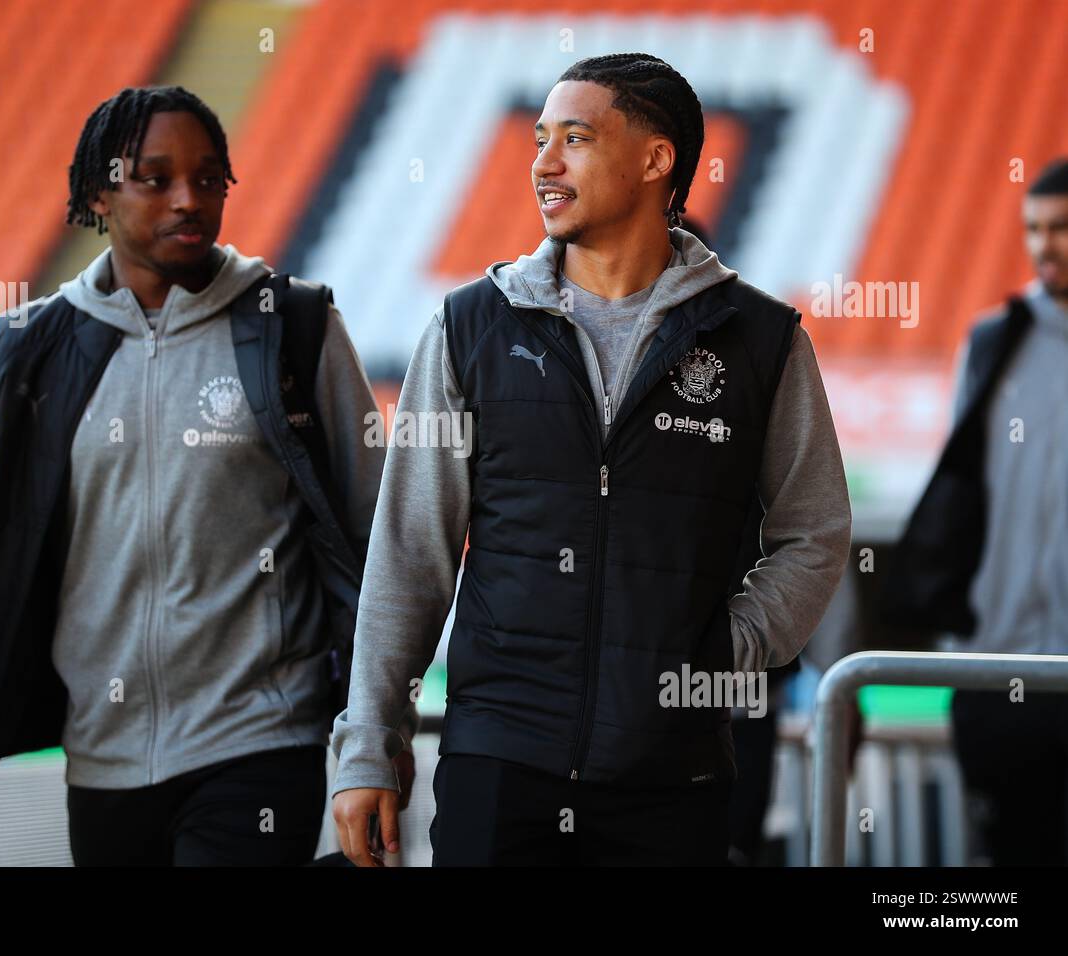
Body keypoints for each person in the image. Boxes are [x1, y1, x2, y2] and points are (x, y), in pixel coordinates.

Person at [0, 85, 416, 866]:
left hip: (259, 743)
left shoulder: (295, 326)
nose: (189, 199)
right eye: (155, 178)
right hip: (103, 762)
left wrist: (375, 733)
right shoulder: (35, 349)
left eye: (209, 178)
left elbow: (382, 532)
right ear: (97, 194)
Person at [330, 52, 851, 867]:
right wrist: (368, 744)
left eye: (574, 138)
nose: (543, 162)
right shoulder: (471, 325)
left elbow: (815, 532)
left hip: (674, 777)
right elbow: (410, 552)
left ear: (656, 159)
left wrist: (726, 652)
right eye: (540, 138)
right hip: (499, 767)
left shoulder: (761, 339)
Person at [883, 157, 1068, 866]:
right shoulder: (994, 343)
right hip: (1000, 665)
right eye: (1034, 230)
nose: (1045, 245)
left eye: (1062, 228)